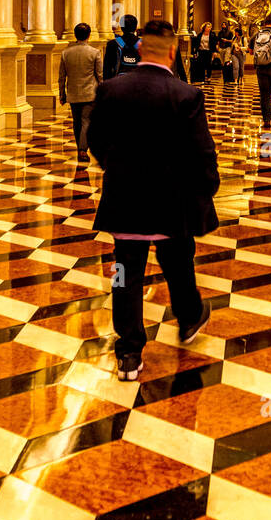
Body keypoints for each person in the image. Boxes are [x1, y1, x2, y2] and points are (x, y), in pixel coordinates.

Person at [88, 19, 219, 382]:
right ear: (174, 52)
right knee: (178, 264)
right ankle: (190, 316)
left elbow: (94, 139)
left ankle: (129, 352)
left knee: (124, 275)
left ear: (140, 49)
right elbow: (201, 151)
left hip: (125, 200)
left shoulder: (111, 90)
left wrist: (117, 168)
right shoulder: (185, 94)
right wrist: (208, 187)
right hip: (171, 202)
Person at [59, 22, 102, 162]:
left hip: (73, 93)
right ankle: (83, 150)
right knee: (86, 122)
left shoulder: (66, 53)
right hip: (90, 93)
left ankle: (80, 148)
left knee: (77, 122)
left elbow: (61, 77)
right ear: (89, 35)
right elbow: (100, 75)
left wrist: (62, 94)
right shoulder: (95, 53)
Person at [102, 13, 140, 80]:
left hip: (117, 83)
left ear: (121, 27)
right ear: (136, 27)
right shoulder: (143, 44)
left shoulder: (112, 44)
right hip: (137, 82)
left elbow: (107, 68)